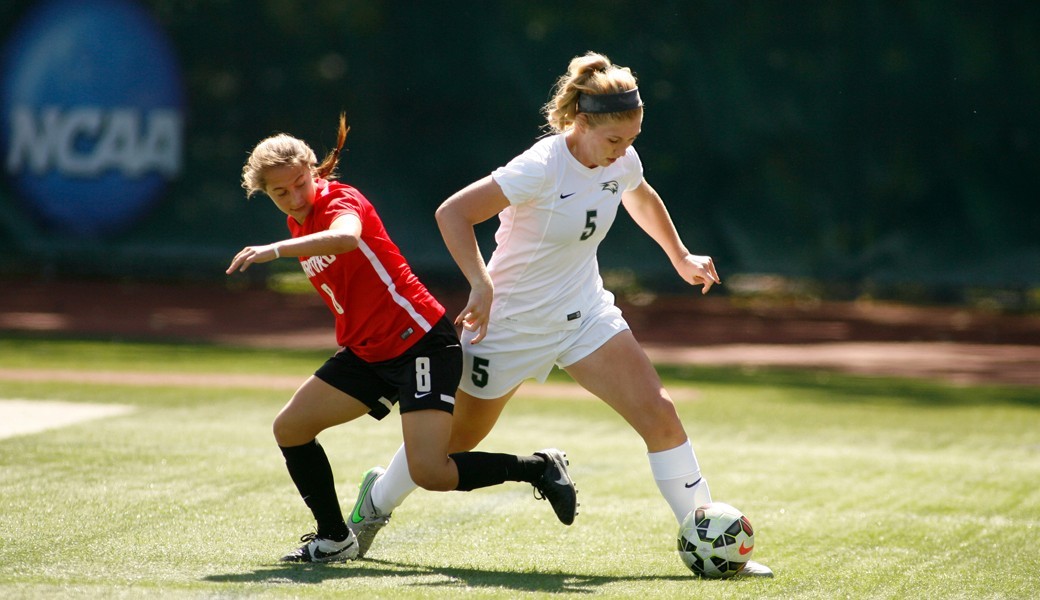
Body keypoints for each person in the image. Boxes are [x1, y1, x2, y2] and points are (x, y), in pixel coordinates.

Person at [350, 53, 772, 577]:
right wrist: (480, 284)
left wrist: (679, 255)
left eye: (633, 139)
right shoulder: (541, 166)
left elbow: (639, 195)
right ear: (581, 122)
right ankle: (374, 504)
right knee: (451, 446)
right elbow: (452, 212)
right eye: (615, 140)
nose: (624, 151)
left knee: (659, 414)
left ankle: (709, 540)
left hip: (584, 314)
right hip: (509, 325)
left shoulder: (621, 159)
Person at [226, 114, 577, 564]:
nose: (295, 196)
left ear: (314, 170)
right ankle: (334, 538)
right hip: (368, 353)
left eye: (300, 183)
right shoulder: (300, 219)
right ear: (264, 193)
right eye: (280, 193)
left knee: (429, 471)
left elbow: (346, 239)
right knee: (290, 428)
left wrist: (273, 250)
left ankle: (539, 468)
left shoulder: (338, 200)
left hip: (421, 346)